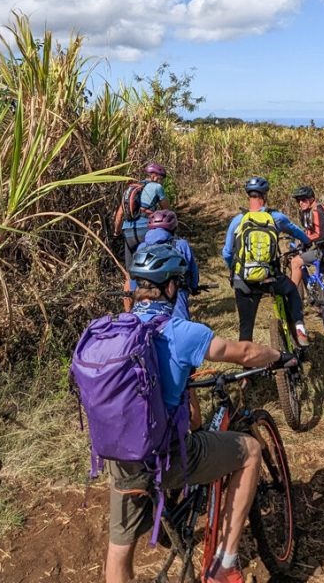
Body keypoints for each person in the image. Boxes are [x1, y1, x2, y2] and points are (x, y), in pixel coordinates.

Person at [104, 244, 294, 583]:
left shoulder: (116, 328)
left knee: (118, 551)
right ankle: (225, 564)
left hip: (120, 457)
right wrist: (278, 356)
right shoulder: (182, 332)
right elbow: (244, 352)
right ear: (171, 287)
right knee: (250, 452)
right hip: (165, 456)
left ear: (136, 288)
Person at [221, 176, 310, 346]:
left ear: (248, 196)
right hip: (270, 278)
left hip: (244, 280)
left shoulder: (238, 220)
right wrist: (307, 241)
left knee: (245, 328)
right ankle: (299, 328)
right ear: (265, 196)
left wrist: (235, 268)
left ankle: (247, 370)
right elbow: (297, 233)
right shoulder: (276, 217)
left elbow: (226, 252)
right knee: (291, 290)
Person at [131, 209, 199, 320]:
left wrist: (134, 291)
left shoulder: (141, 247)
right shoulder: (181, 245)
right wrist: (193, 287)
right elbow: (192, 270)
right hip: (175, 293)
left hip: (145, 296)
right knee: (178, 327)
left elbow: (135, 274)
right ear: (173, 228)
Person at [113, 162, 169, 271]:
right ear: (154, 176)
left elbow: (119, 214)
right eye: (161, 178)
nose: (162, 182)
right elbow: (167, 212)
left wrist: (116, 232)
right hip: (146, 231)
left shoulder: (131, 188)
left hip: (128, 232)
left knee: (130, 272)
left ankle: (130, 286)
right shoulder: (157, 187)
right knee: (149, 269)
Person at [288, 185, 324, 289]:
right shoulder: (308, 211)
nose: (301, 202)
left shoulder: (317, 211)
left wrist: (304, 240)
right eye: (298, 200)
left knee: (295, 262)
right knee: (323, 279)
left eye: (303, 199)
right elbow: (310, 231)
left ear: (311, 198)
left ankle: (291, 295)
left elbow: (319, 235)